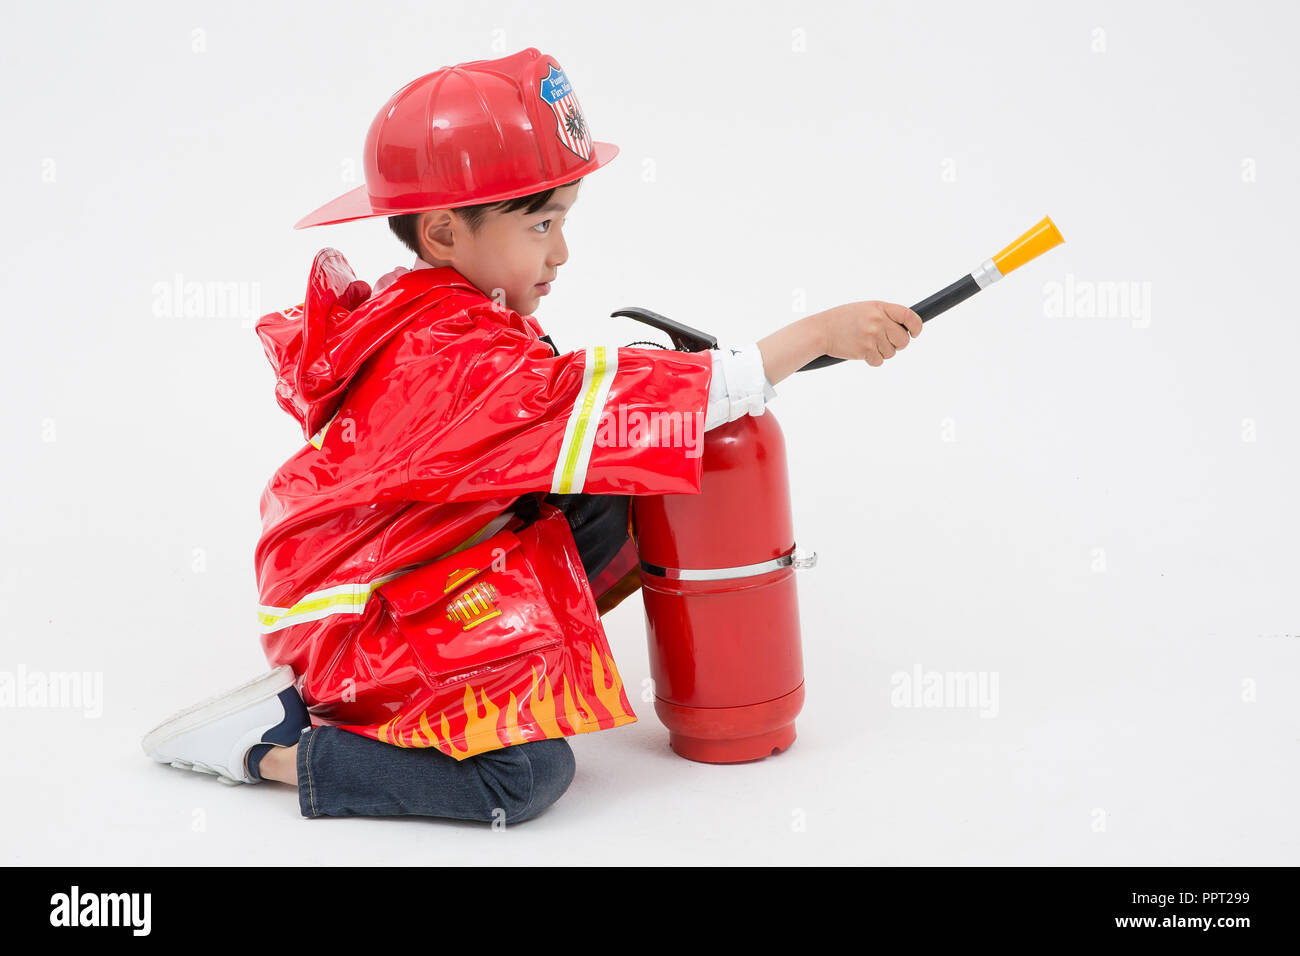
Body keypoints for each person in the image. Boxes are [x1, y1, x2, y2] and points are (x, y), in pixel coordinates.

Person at [140, 48, 921, 825]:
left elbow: (585, 412)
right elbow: (589, 401)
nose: (561, 250)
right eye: (541, 223)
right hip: (356, 622)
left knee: (610, 479)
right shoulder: (451, 353)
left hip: (386, 574)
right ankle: (270, 748)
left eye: (565, 220)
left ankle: (448, 676)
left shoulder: (435, 310)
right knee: (525, 775)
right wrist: (817, 332)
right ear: (445, 232)